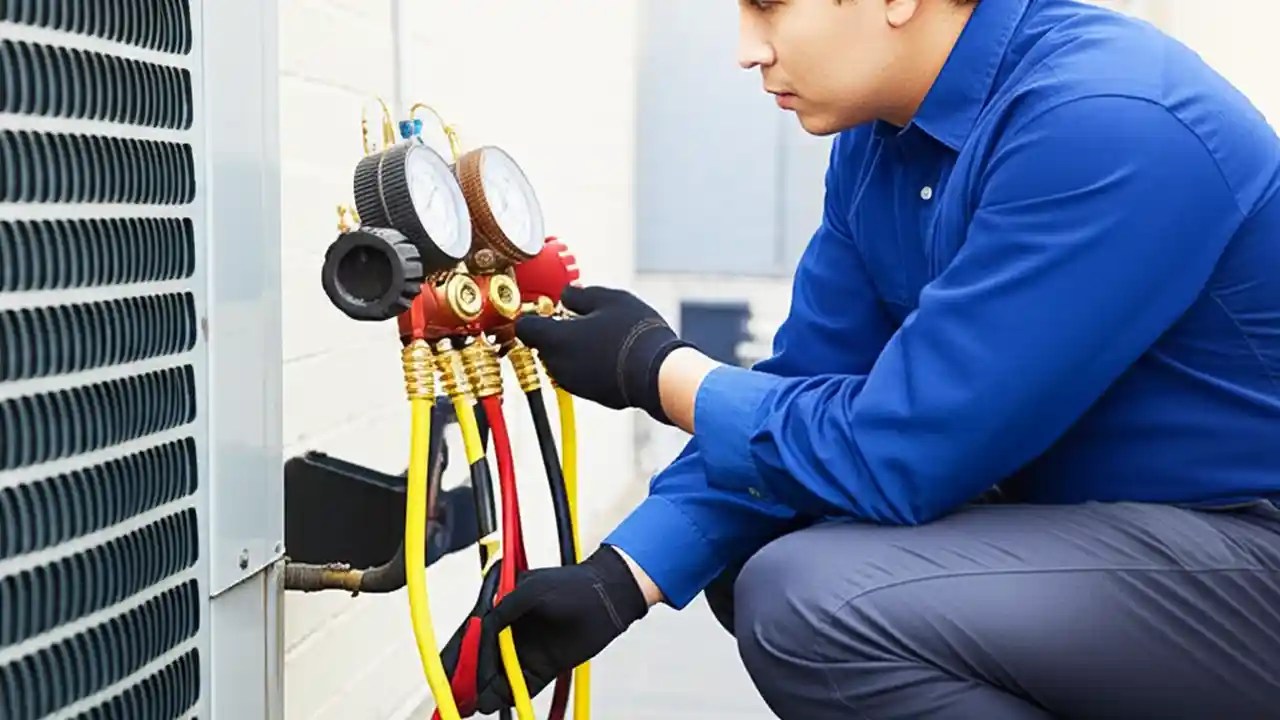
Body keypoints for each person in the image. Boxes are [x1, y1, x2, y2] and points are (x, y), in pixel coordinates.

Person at [440, 0, 1280, 717]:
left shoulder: (1107, 118)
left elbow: (903, 452)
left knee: (814, 601)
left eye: (770, 4)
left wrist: (658, 370)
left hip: (1247, 558)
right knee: (761, 543)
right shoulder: (884, 138)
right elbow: (810, 380)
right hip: (1111, 529)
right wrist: (619, 579)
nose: (746, 47)